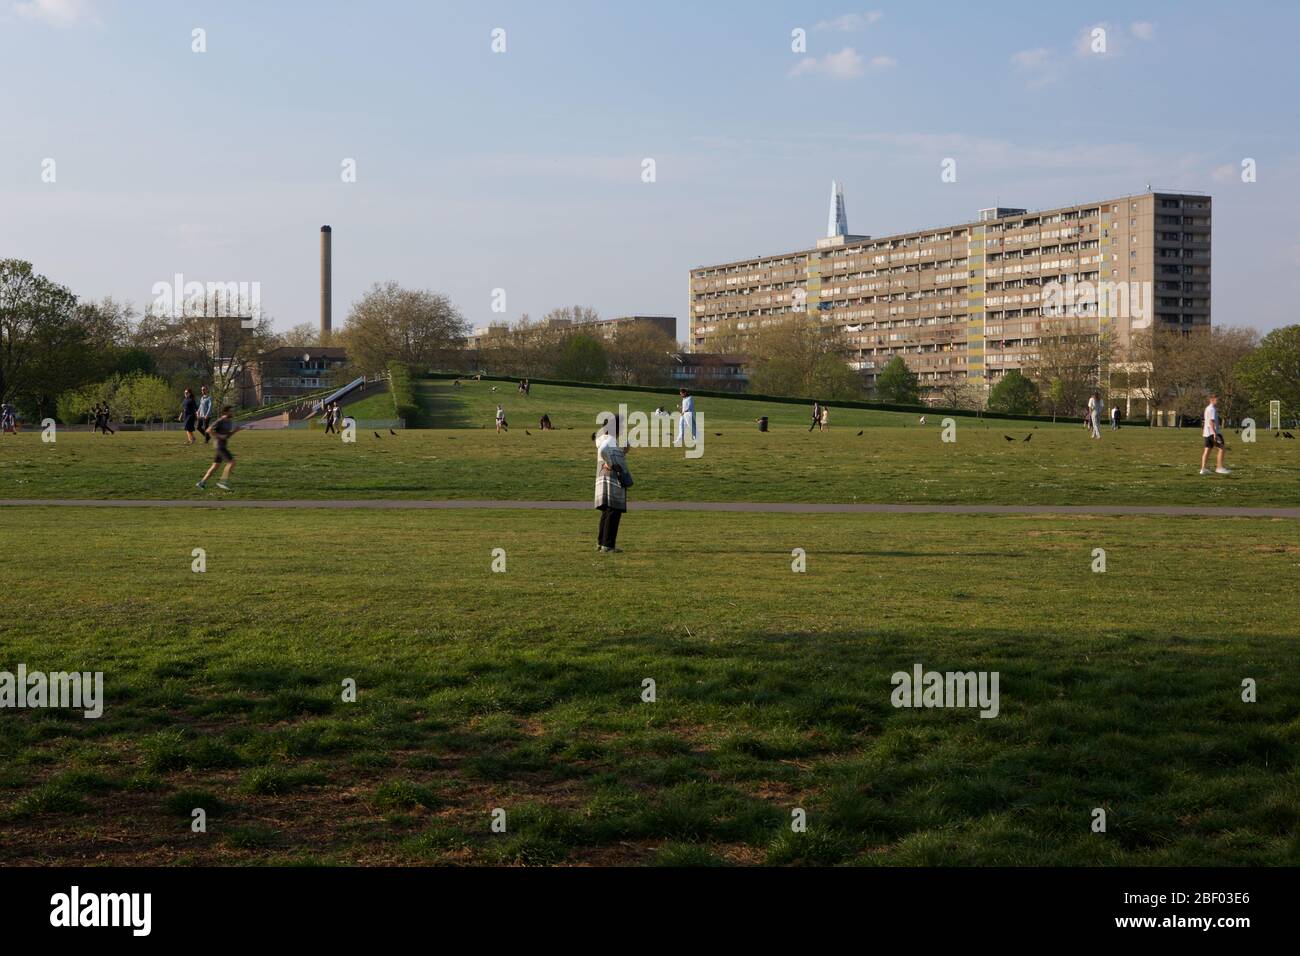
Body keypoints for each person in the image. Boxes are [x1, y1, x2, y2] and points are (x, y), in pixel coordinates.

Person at [593, 423, 632, 553]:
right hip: (612, 478)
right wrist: (609, 463)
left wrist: (622, 451)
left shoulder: (602, 439)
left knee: (606, 511)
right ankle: (608, 545)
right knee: (614, 510)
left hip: (602, 477)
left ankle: (601, 542)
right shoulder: (610, 440)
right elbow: (604, 449)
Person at [197, 406, 241, 490]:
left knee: (215, 466)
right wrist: (219, 436)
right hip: (219, 446)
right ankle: (223, 482)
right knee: (232, 462)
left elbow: (227, 436)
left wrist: (235, 431)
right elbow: (208, 430)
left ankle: (201, 483)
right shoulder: (220, 421)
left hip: (222, 446)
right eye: (231, 411)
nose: (232, 413)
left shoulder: (229, 422)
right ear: (226, 412)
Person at [1200, 393, 1230, 475]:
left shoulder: (1207, 408)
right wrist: (1214, 433)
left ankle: (1203, 469)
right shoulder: (1212, 409)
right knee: (1222, 448)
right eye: (1217, 399)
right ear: (1211, 400)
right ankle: (1219, 468)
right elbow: (1211, 421)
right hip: (1213, 432)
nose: (1218, 401)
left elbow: (1206, 421)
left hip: (1207, 433)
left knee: (1207, 450)